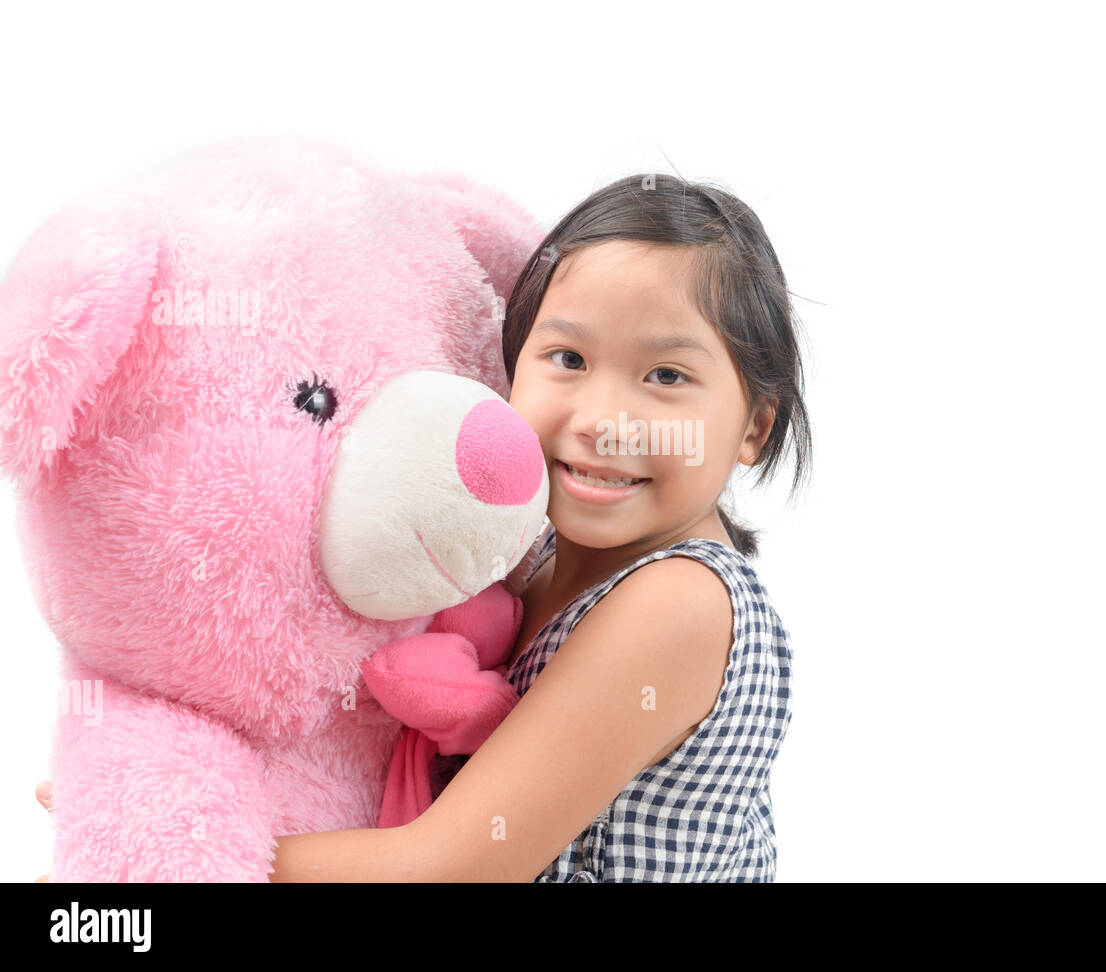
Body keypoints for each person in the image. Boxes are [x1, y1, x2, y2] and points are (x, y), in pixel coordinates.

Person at [36, 172, 813, 882]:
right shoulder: (528, 552)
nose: (602, 420)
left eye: (666, 376)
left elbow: (446, 867)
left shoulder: (679, 602)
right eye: (568, 358)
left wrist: (162, 855)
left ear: (754, 426)